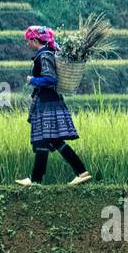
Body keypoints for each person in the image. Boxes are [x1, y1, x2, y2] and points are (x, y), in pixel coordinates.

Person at [15, 25, 92, 186]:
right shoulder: (45, 54)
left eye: (28, 41)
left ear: (35, 40)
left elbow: (50, 79)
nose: (27, 44)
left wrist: (32, 80)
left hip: (48, 103)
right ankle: (36, 180)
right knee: (44, 141)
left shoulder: (44, 56)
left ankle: (81, 172)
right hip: (46, 102)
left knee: (53, 139)